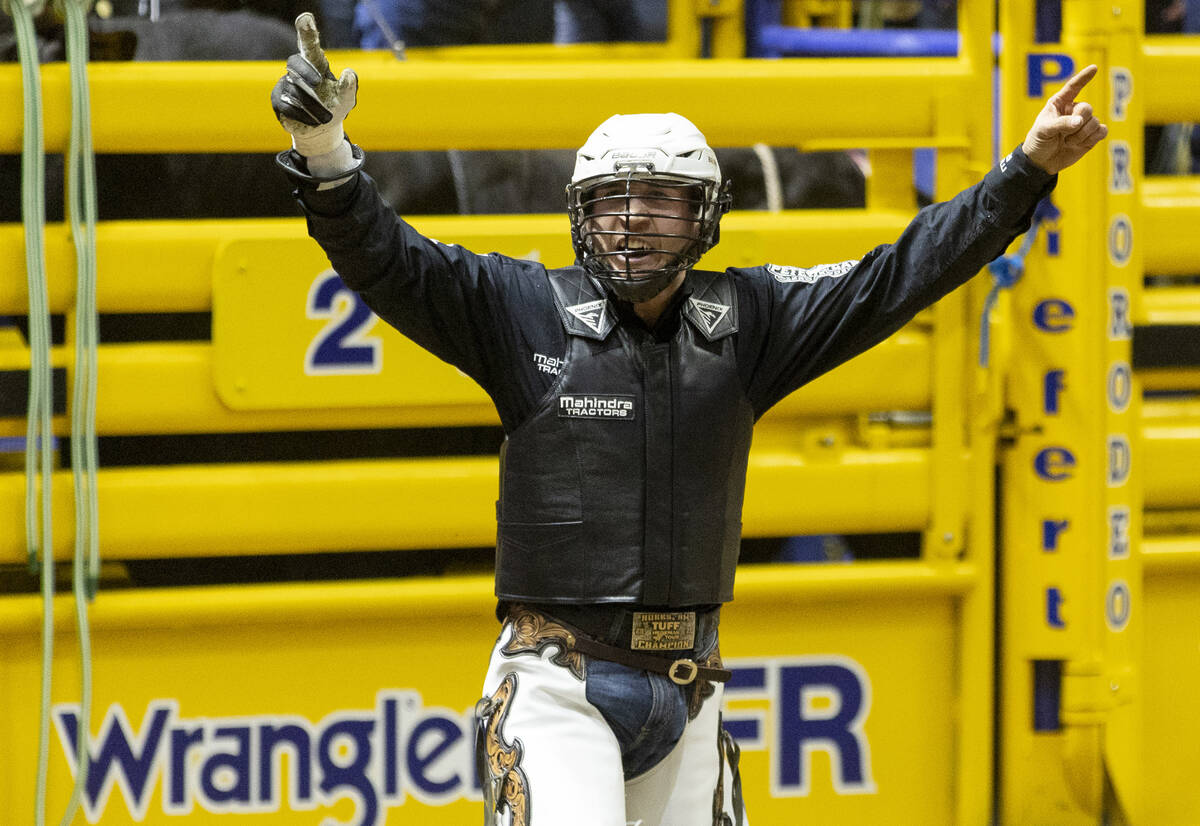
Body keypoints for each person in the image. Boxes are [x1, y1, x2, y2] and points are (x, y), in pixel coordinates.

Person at [270, 13, 1106, 824]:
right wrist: (324, 151)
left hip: (689, 684)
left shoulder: (750, 319)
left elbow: (898, 277)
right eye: (612, 206)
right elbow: (388, 259)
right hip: (556, 685)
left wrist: (1023, 170)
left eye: (659, 204)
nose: (632, 226)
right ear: (579, 216)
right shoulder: (519, 308)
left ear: (703, 217)